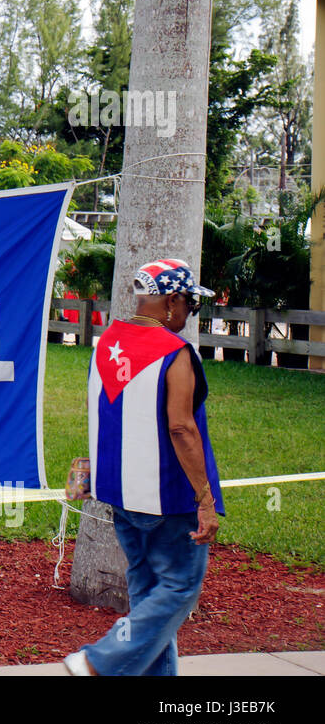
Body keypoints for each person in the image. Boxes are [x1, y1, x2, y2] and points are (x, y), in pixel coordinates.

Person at [64, 258, 224, 676]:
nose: (191, 313)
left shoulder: (106, 341)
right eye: (191, 303)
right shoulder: (176, 353)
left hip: (120, 496)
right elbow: (181, 428)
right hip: (169, 500)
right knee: (178, 588)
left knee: (149, 594)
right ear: (172, 300)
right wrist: (205, 501)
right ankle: (99, 659)